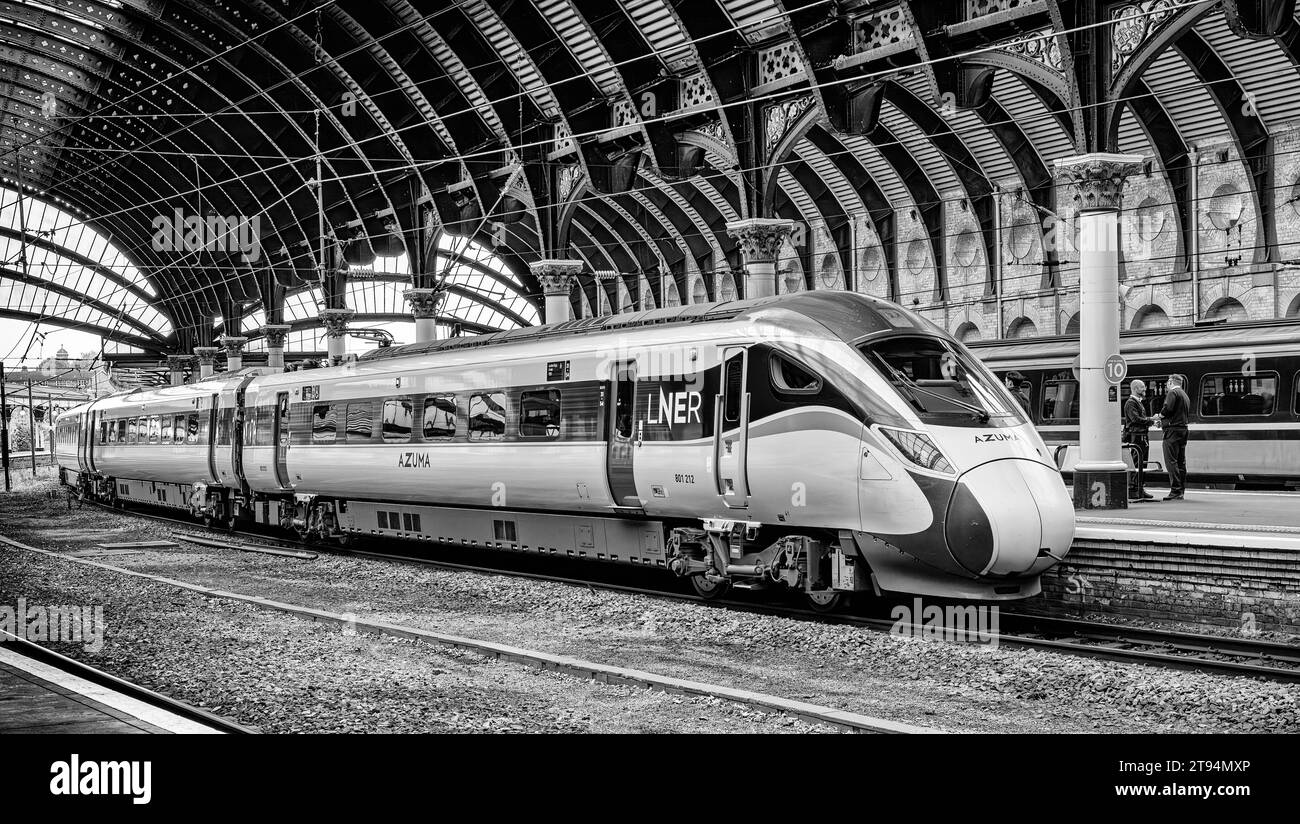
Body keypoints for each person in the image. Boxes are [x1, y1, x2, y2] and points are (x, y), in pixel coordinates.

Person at [1155, 374, 1190, 501]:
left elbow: (1167, 409)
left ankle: (1175, 490)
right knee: (1181, 461)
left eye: (1167, 383)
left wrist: (1160, 416)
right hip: (1183, 430)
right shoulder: (1184, 395)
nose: (1166, 385)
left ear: (1170, 382)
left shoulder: (1172, 393)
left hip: (1172, 431)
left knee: (1171, 461)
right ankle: (1181, 490)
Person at [1123, 379, 1155, 502]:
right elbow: (1135, 419)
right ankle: (1133, 489)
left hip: (1141, 436)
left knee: (1142, 462)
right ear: (1135, 389)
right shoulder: (1131, 403)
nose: (1144, 389)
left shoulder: (1137, 402)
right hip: (1136, 436)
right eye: (1142, 387)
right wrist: (1151, 420)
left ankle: (1140, 488)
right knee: (1137, 463)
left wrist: (1149, 420)